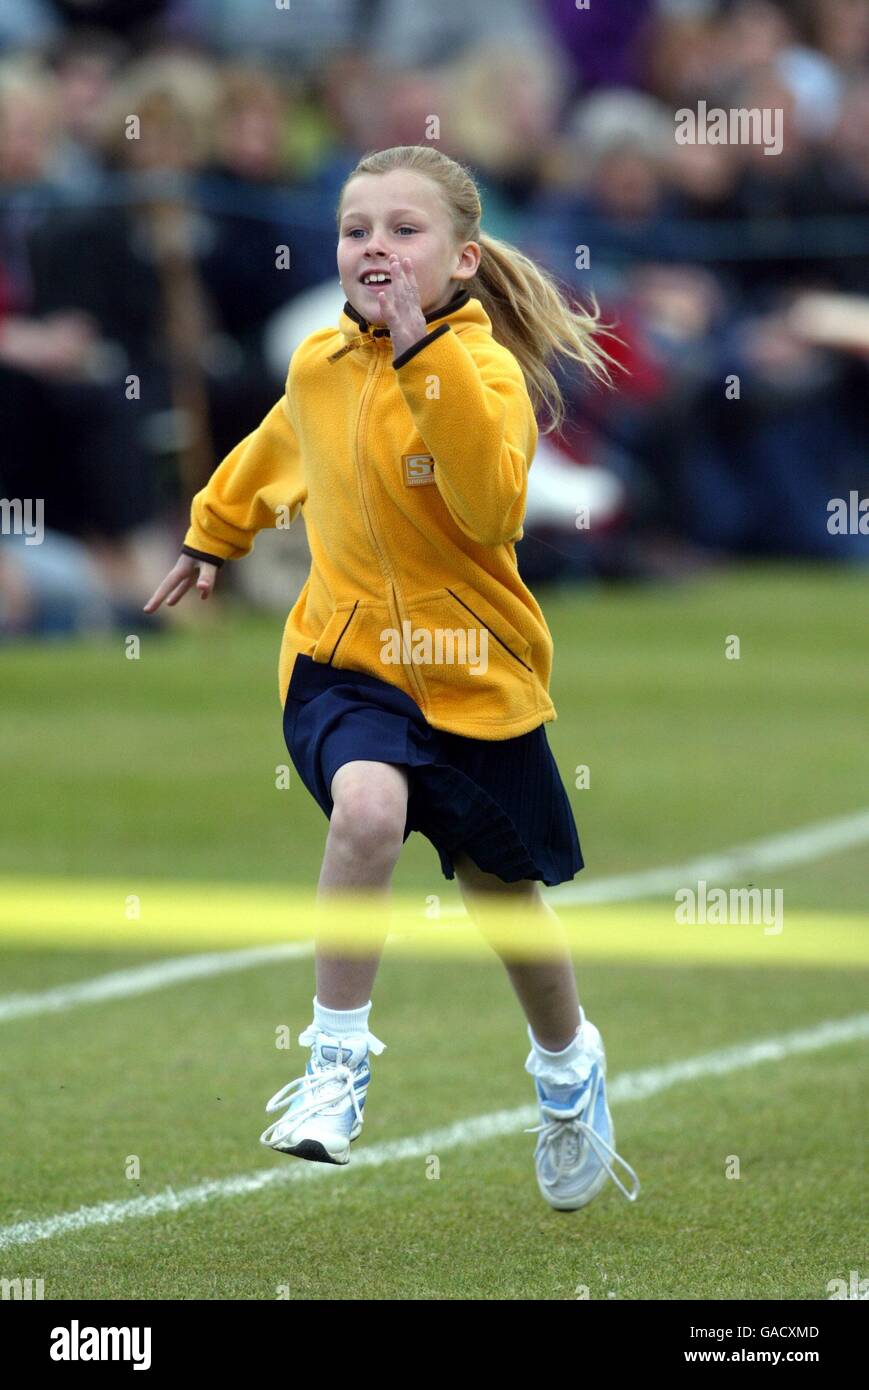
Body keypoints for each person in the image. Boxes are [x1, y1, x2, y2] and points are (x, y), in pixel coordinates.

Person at [144, 144, 640, 1212]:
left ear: (460, 261)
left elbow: (488, 504)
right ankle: (335, 1068)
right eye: (356, 228)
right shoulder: (319, 362)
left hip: (473, 673)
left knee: (502, 900)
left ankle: (566, 1070)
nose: (374, 247)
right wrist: (213, 533)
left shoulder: (485, 372)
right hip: (346, 659)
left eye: (402, 230)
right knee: (365, 808)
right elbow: (282, 441)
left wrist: (423, 359)